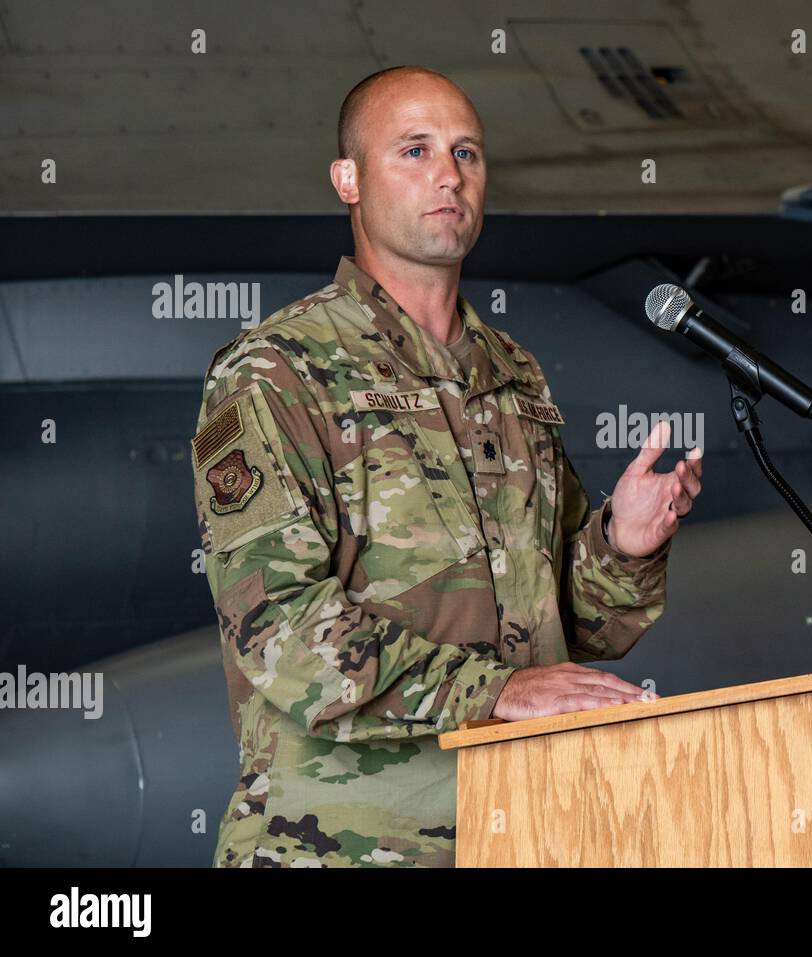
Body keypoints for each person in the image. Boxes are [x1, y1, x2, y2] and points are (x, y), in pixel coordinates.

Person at [190, 65, 703, 867]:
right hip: (343, 848)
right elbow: (281, 631)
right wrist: (494, 691)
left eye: (467, 153)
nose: (448, 175)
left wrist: (623, 545)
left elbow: (571, 629)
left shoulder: (511, 371)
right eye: (415, 151)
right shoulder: (276, 371)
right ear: (348, 179)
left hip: (523, 829)